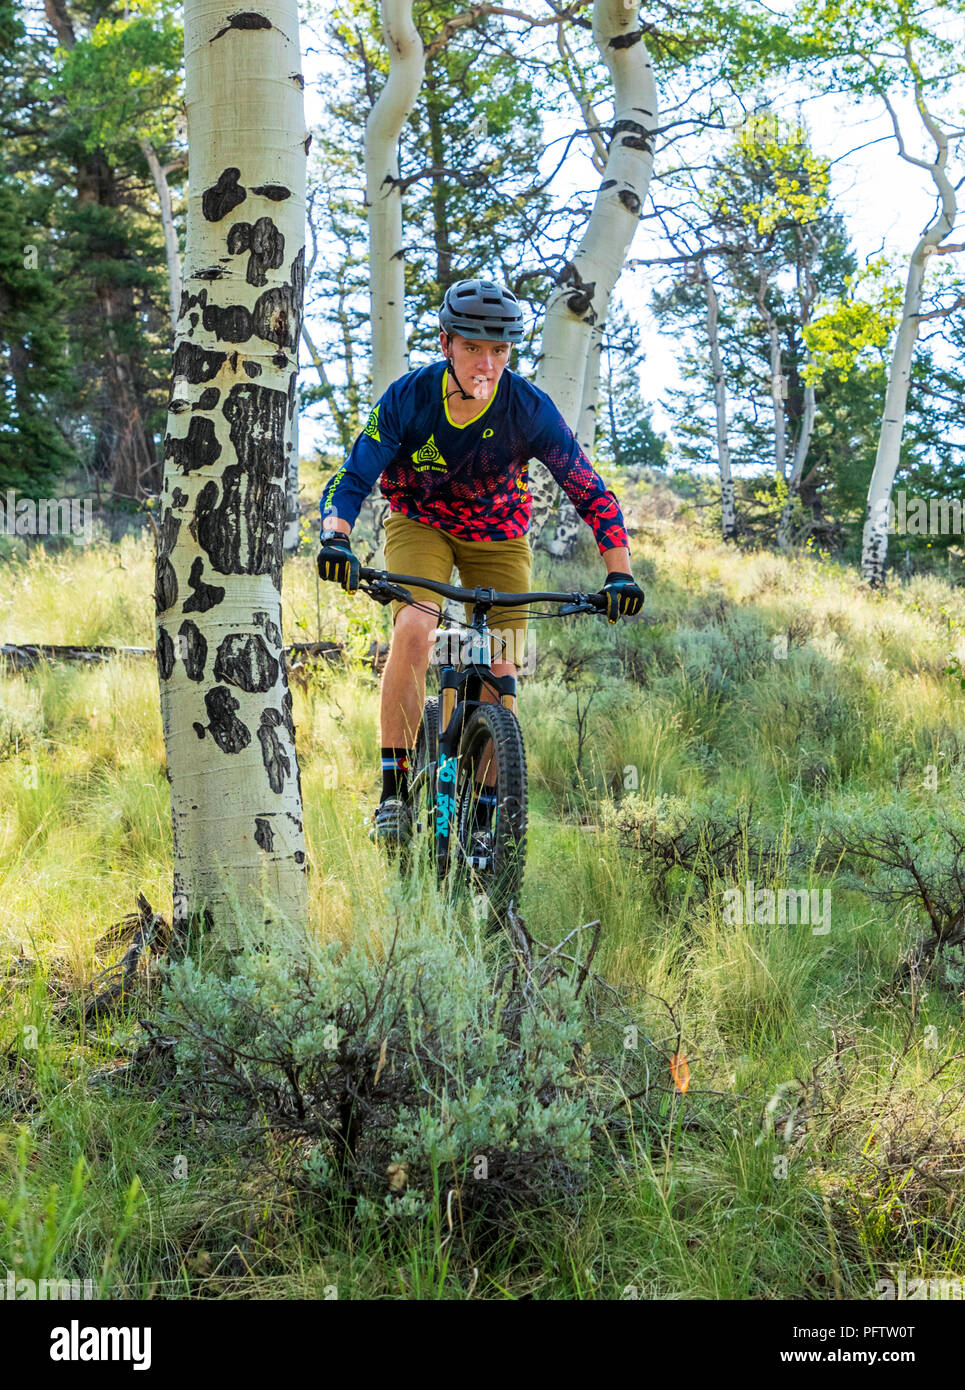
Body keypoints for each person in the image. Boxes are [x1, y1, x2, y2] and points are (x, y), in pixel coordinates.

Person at [317, 277, 644, 847]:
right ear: (446, 343)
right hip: (420, 520)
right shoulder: (409, 397)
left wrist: (620, 572)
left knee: (503, 664)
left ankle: (489, 819)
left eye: (499, 350)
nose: (486, 363)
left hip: (500, 534)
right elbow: (354, 473)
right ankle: (393, 793)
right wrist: (337, 539)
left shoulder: (528, 408)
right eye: (473, 347)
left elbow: (588, 488)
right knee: (416, 626)